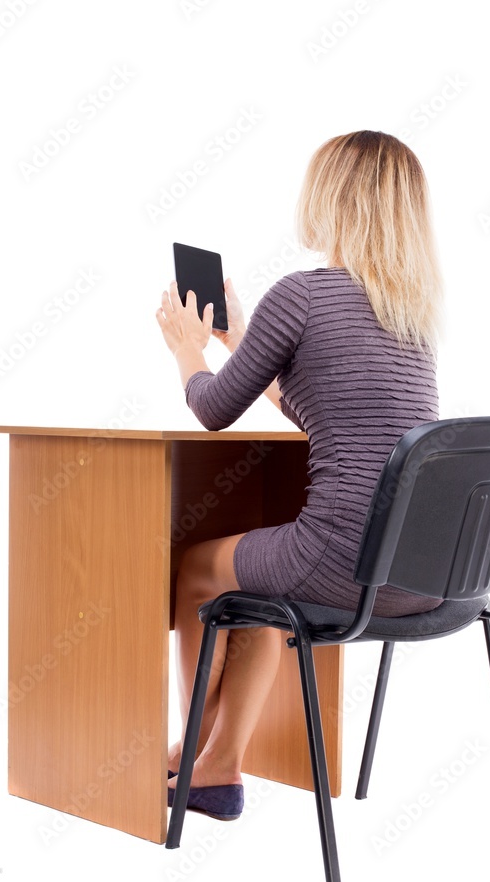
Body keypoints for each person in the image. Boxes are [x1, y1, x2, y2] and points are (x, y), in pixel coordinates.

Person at [156, 130, 444, 821]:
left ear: (328, 199)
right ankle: (214, 763)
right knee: (253, 578)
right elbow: (331, 413)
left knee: (199, 567)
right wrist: (243, 337)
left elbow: (211, 411)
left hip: (340, 565)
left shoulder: (303, 295)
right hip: (425, 573)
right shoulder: (412, 314)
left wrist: (188, 350)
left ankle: (203, 757)